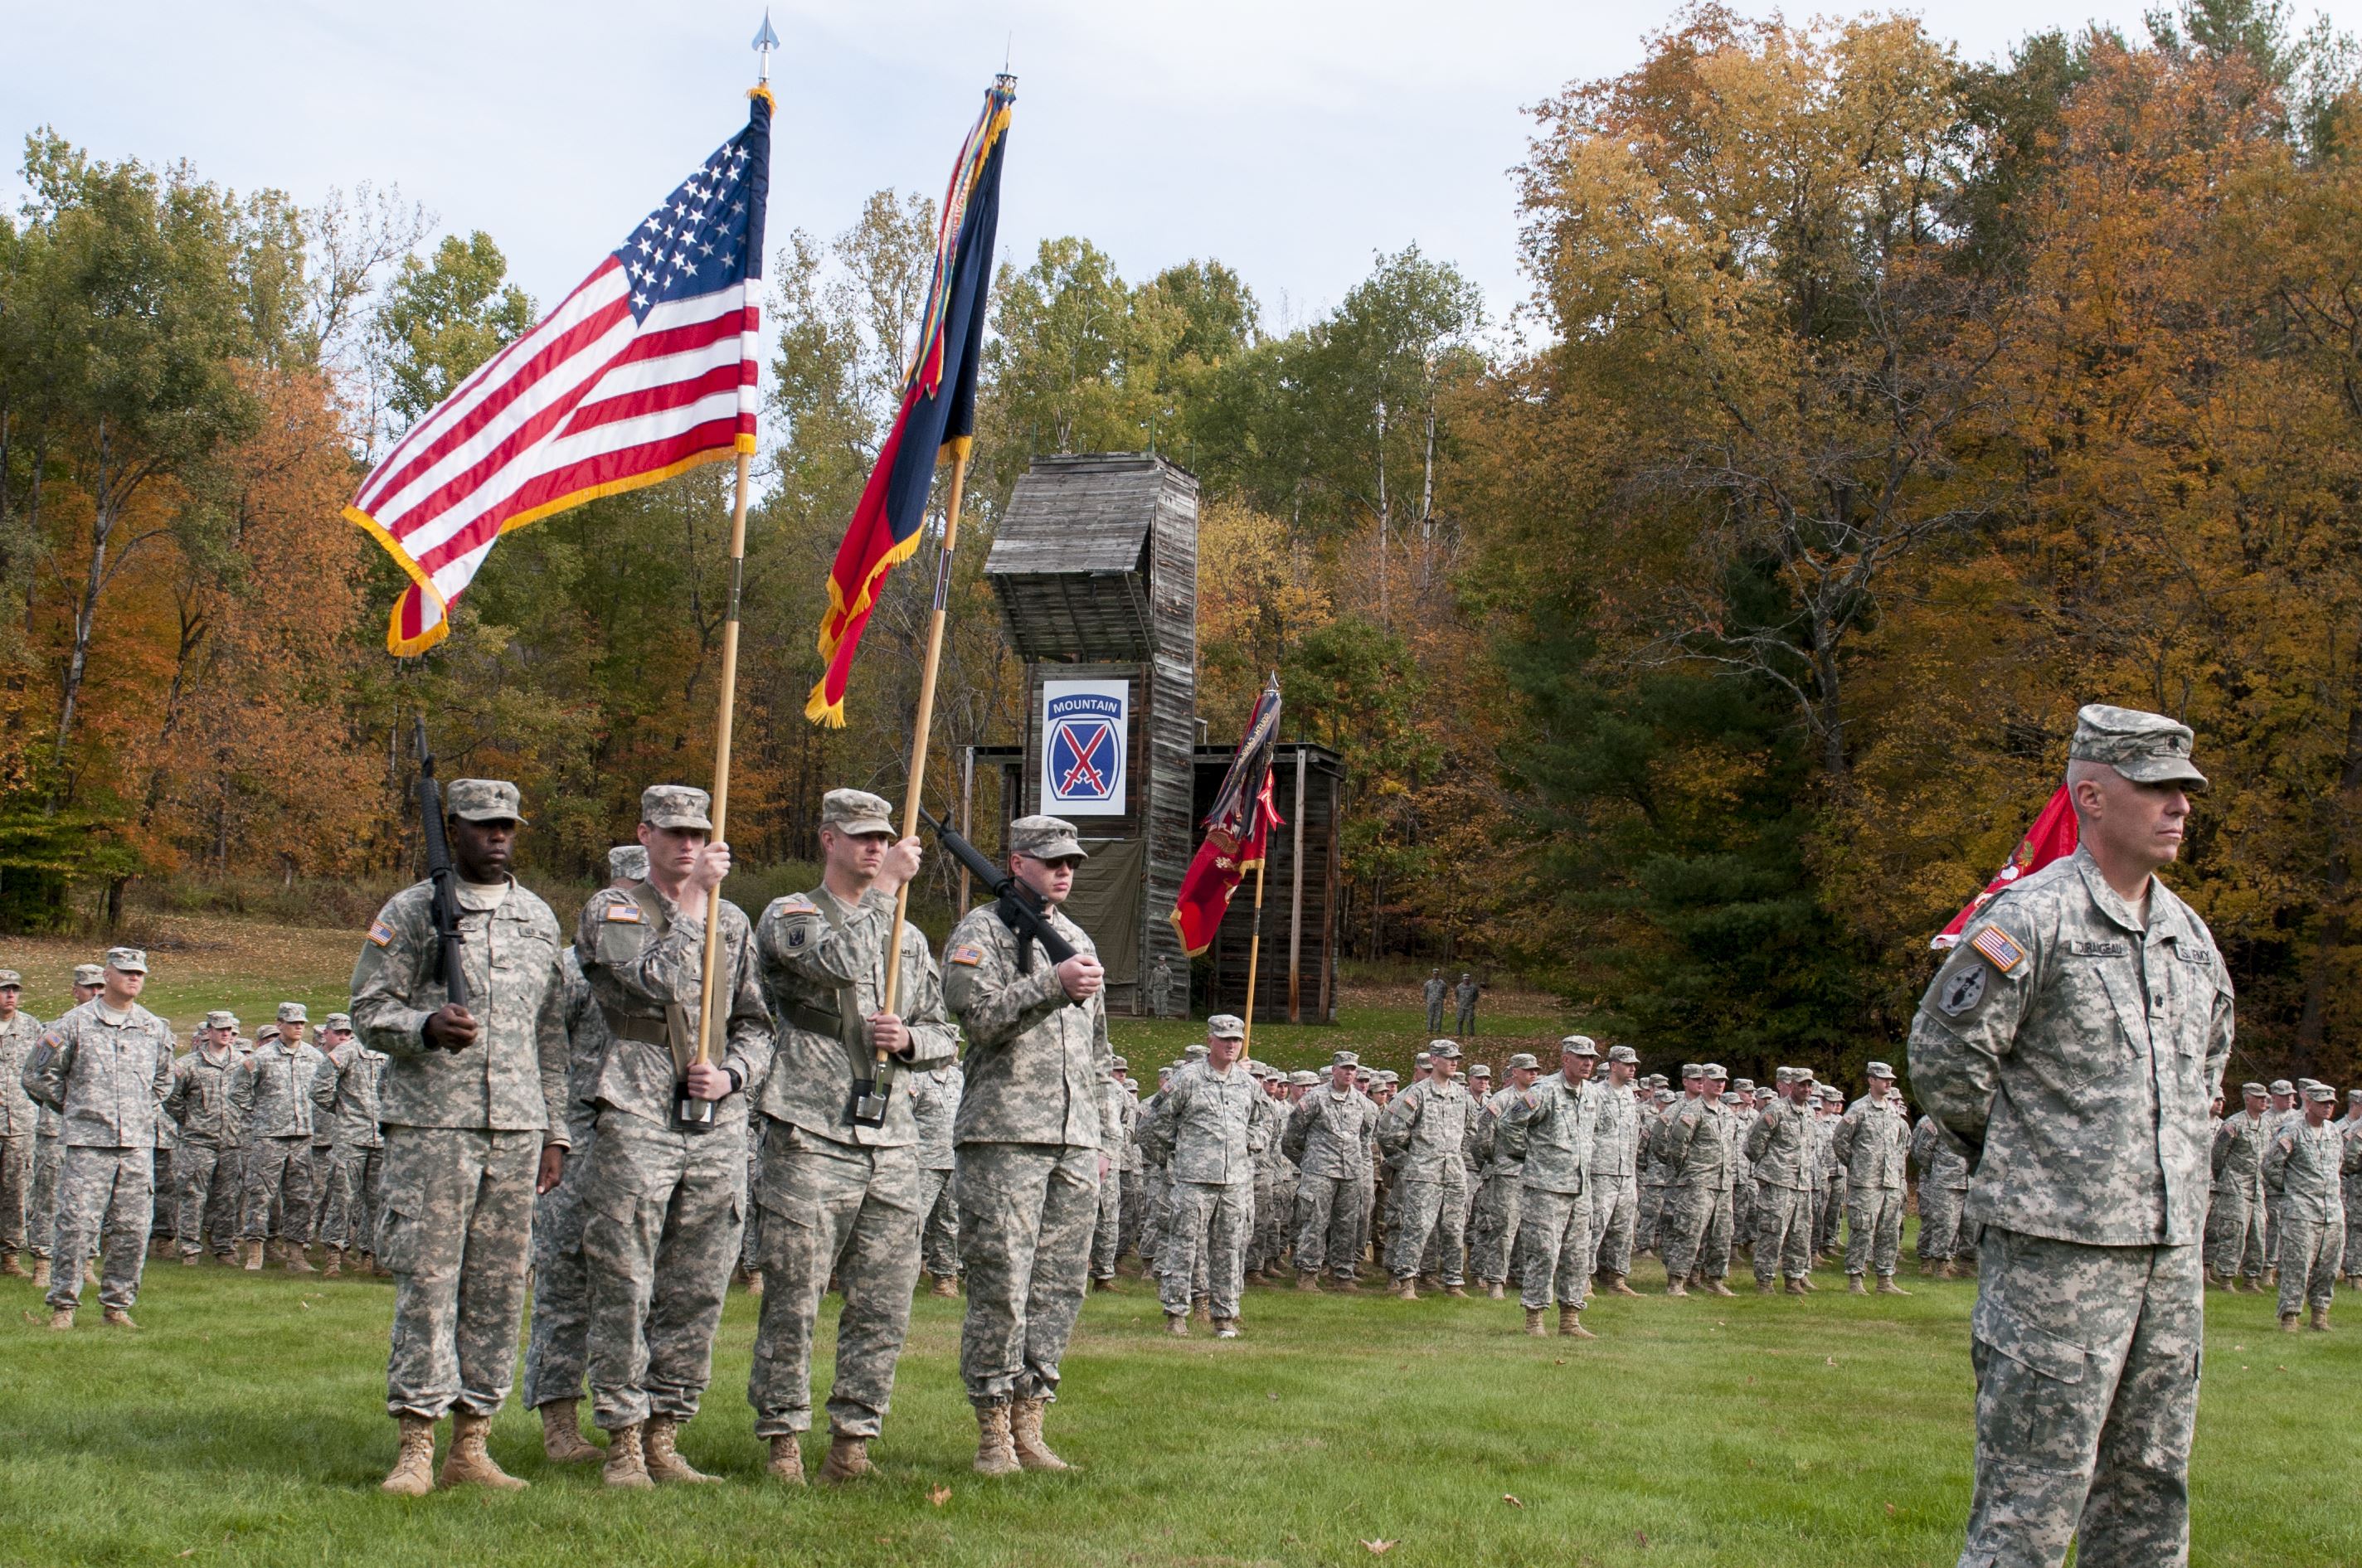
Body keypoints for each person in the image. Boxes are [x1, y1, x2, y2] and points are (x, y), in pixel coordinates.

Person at [1908, 704, 2230, 1568]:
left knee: (2150, 1491)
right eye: (2157, 786)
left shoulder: (2187, 939)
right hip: (2057, 1258)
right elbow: (1944, 1062)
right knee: (2031, 1500)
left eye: (2184, 790)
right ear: (2089, 794)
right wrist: (2034, 1163)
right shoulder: (2029, 922)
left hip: (2166, 1256)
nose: (2180, 806)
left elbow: (2206, 1073)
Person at [351, 776, 571, 1497]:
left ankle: (471, 1441)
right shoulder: (413, 911)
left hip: (515, 1127)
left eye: (507, 825)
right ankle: (416, 1440)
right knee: (428, 1282)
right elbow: (366, 1009)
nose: (498, 837)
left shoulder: (539, 918)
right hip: (433, 1126)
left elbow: (551, 1032)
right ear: (453, 831)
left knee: (500, 1288)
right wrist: (423, 1026)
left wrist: (556, 1129)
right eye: (482, 826)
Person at [747, 788, 950, 1486]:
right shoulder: (790, 915)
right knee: (795, 1294)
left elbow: (946, 1029)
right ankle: (782, 1439)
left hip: (890, 1133)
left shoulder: (911, 938)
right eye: (861, 837)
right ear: (828, 838)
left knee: (885, 1296)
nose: (875, 847)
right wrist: (887, 891)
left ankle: (854, 1438)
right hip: (810, 1124)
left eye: (883, 837)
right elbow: (830, 964)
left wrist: (914, 1039)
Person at [577, 785, 771, 1489]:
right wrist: (696, 907)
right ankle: (623, 1437)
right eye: (673, 832)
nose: (688, 845)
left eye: (698, 833)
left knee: (698, 1281)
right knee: (625, 1276)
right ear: (645, 834)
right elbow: (649, 979)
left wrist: (736, 1074)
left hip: (713, 1119)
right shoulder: (616, 907)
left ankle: (667, 1429)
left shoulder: (736, 922)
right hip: (637, 1104)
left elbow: (756, 1021)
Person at [940, 814, 1116, 1477]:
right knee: (1002, 1286)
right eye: (1051, 861)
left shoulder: (1076, 937)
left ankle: (1031, 1420)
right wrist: (1051, 984)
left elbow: (1099, 1054)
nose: (1064, 870)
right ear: (1016, 863)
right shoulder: (980, 932)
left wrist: (1102, 1134)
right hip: (1004, 1133)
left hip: (1073, 1139)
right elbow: (976, 1018)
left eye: (1071, 860)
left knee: (1057, 1287)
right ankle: (991, 1431)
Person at [22, 948, 173, 1329]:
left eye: (139, 973)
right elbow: (37, 1075)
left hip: (137, 1144)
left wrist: (139, 1110)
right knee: (76, 1227)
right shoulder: (73, 1024)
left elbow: (164, 1081)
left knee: (133, 1228)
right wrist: (76, 1107)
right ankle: (64, 1307)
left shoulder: (154, 1027)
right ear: (107, 975)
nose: (134, 978)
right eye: (125, 972)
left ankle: (117, 1306)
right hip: (89, 1143)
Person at [1140, 1015, 1258, 1337]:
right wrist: (1168, 1158)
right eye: (1225, 1039)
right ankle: (1176, 1314)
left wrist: (1253, 1142)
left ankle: (1225, 1316)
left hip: (1233, 1181)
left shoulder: (1248, 1084)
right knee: (1183, 1248)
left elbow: (1262, 1121)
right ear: (1210, 1040)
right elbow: (1152, 1124)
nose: (1231, 1044)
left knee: (1229, 1250)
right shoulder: (1187, 1079)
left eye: (1236, 1039)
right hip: (1193, 1180)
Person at [1500, 1035, 1601, 1337]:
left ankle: (1570, 1319)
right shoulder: (1544, 1091)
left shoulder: (1592, 1094)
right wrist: (1526, 1156)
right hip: (1546, 1188)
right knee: (1544, 1253)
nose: (1587, 1063)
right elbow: (1509, 1123)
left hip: (1580, 1188)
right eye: (1581, 1057)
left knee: (1577, 1255)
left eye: (1591, 1058)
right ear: (1565, 1059)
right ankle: (1535, 1318)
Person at [231, 1003, 326, 1273]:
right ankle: (255, 1252)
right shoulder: (261, 1057)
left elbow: (322, 1091)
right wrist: (260, 1113)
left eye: (302, 1023)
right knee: (260, 1195)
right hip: (269, 1137)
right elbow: (238, 1092)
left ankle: (296, 1254)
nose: (298, 1027)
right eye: (292, 1022)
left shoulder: (313, 1057)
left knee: (300, 1197)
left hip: (302, 1136)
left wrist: (314, 1114)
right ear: (279, 1024)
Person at [1378, 1040, 1474, 1299]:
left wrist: (1458, 1157)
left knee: (1454, 1229)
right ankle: (1407, 1281)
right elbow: (1388, 1133)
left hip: (1453, 1173)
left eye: (1457, 1058)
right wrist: (1410, 1160)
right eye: (1448, 1058)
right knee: (1417, 1227)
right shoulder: (1416, 1094)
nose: (1454, 1062)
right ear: (1433, 1060)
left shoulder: (1461, 1095)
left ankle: (1454, 1283)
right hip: (1423, 1173)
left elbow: (1471, 1132)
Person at [1284, 1050, 1379, 1290]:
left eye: (1352, 1069)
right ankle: (1307, 1274)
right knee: (1314, 1223)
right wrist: (1309, 1162)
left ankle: (1342, 1274)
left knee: (1348, 1224)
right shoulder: (1314, 1099)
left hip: (1351, 1175)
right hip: (1320, 1173)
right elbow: (1291, 1139)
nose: (1349, 1072)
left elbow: (1365, 1139)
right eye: (1344, 1068)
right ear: (1334, 1070)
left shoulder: (1364, 1104)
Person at [2262, 1081, 2352, 1333]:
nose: (2328, 1108)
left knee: (2329, 1266)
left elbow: (2339, 1165)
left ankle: (2320, 1314)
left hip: (2332, 1213)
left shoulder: (2334, 1132)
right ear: (2309, 1103)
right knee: (2297, 1266)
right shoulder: (2291, 1131)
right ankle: (2290, 1315)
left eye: (2331, 1104)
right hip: (2301, 1213)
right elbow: (2270, 1166)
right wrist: (2291, 1189)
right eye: (2323, 1103)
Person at [163, 1012, 245, 1265]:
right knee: (192, 1195)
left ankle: (224, 1246)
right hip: (198, 1141)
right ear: (208, 1031)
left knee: (228, 1197)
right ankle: (189, 1248)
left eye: (229, 1029)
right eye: (220, 1029)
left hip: (231, 1141)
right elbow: (172, 1098)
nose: (225, 1033)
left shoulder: (243, 1063)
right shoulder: (188, 1064)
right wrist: (190, 1121)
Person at [1655, 1064, 1737, 1296]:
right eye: (1715, 1080)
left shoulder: (1727, 1114)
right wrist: (1688, 1172)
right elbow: (1676, 1146)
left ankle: (1715, 1279)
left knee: (1722, 1234)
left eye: (1723, 1080)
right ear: (1704, 1081)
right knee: (1689, 1232)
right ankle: (1676, 1281)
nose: (1720, 1084)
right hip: (1697, 1182)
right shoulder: (1692, 1111)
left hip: (1722, 1183)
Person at [1833, 1062, 1912, 1296]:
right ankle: (1855, 1280)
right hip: (1866, 1183)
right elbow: (1840, 1141)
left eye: (1891, 1079)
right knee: (1862, 1230)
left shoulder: (1892, 1110)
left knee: (1889, 1232)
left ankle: (1885, 1280)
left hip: (1890, 1183)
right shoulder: (1859, 1109)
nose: (1888, 1082)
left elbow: (1899, 1145)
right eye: (1883, 1078)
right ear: (1871, 1080)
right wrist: (1857, 1164)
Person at [1468, 1052, 1538, 1298]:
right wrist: (1493, 1159)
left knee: (1529, 1228)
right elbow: (1482, 1135)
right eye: (1528, 1069)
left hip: (1532, 1173)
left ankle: (1520, 1275)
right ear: (1514, 1072)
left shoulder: (1537, 1098)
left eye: (1535, 1070)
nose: (1533, 1073)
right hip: (1506, 1173)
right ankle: (1496, 1280)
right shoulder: (1502, 1099)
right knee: (1503, 1228)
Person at [1746, 1067, 1818, 1294]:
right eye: (1801, 1085)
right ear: (1791, 1086)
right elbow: (1753, 1145)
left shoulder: (1809, 1113)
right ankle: (1765, 1281)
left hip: (1803, 1184)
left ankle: (1793, 1279)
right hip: (1778, 1183)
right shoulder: (1776, 1110)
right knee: (1772, 1233)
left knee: (1800, 1234)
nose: (1806, 1089)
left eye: (1809, 1085)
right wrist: (1769, 1170)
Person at [1585, 1045, 1643, 1294]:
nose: (1632, 1068)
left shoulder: (1631, 1096)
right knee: (1593, 1227)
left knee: (1623, 1229)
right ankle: (1583, 1277)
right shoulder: (1595, 1094)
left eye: (1634, 1065)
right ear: (1613, 1066)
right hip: (1601, 1172)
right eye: (1627, 1064)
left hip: (1626, 1173)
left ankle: (1615, 1278)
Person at [2204, 1082, 2272, 1291]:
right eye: (2259, 1097)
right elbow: (2217, 1155)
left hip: (2257, 1188)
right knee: (2234, 1233)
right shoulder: (2234, 1124)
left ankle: (2251, 1279)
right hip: (2235, 1186)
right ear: (2248, 1099)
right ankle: (2226, 1277)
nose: (2264, 1100)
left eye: (2265, 1097)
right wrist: (2225, 1178)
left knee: (2258, 1233)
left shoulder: (2266, 1124)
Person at [913, 1048, 965, 1298]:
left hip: (953, 1162)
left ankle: (944, 1279)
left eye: (955, 1044)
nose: (953, 1049)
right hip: (923, 1162)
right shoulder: (918, 1076)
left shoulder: (960, 1078)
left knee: (949, 1223)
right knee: (914, 1222)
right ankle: (902, 1278)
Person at [0, 969, 40, 1277]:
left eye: (14, 990)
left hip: (21, 1123)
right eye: (4, 990)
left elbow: (47, 1067)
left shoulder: (31, 1027)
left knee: (16, 1192)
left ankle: (10, 1257)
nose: (10, 995)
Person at [1453, 973, 1479, 1037]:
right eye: (1465, 980)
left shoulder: (1473, 987)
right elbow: (1456, 994)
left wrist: (1472, 1002)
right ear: (1463, 979)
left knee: (1470, 1020)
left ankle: (1471, 1033)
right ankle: (1458, 1033)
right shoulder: (1459, 987)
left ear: (1469, 980)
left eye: (1467, 979)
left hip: (1470, 1006)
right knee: (1459, 1020)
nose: (1466, 981)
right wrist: (1459, 1002)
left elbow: (1476, 996)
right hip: (1461, 1006)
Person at [1423, 969, 1447, 1034]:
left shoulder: (1443, 983)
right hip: (1431, 1002)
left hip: (1439, 1002)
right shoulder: (1428, 983)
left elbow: (1445, 993)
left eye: (1436, 974)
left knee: (1439, 1016)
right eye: (1434, 974)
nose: (1435, 975)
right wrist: (1428, 999)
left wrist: (1441, 998)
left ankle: (1438, 1030)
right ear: (1432, 974)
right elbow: (1425, 992)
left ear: (1438, 974)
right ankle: (1429, 1030)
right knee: (1430, 1015)